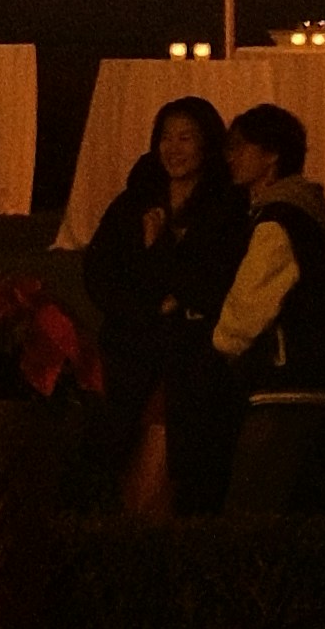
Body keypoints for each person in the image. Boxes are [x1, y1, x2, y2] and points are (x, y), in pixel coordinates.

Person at [82, 91, 250, 518]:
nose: (173, 149)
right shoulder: (136, 202)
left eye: (186, 138)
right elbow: (100, 272)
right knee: (125, 448)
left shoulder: (224, 207)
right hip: (130, 349)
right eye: (166, 138)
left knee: (163, 456)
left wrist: (160, 254)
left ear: (207, 144)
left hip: (187, 358)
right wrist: (148, 306)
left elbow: (211, 280)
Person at [199, 103, 325, 480]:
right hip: (307, 376)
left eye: (241, 147)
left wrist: (217, 349)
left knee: (253, 501)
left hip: (284, 381)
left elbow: (248, 307)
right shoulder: (301, 212)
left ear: (271, 156)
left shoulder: (278, 222)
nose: (231, 157)